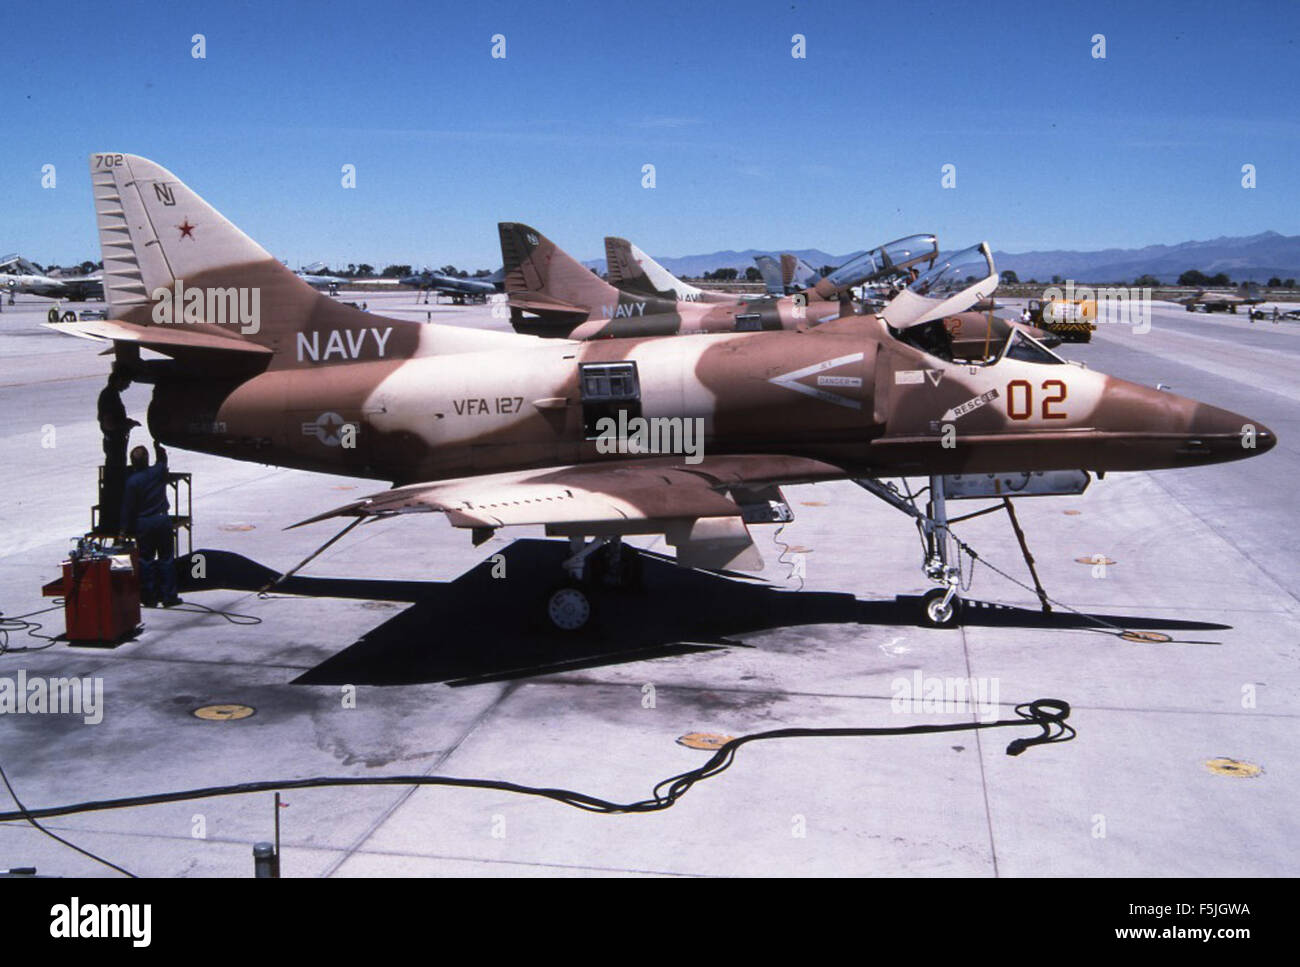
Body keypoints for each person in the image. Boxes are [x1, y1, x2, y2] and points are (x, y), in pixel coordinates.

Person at [120, 442, 181, 608]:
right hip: (161, 520)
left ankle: (149, 597)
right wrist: (157, 446)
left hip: (144, 522)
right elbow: (163, 459)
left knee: (146, 560)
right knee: (166, 558)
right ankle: (169, 596)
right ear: (147, 460)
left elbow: (128, 507)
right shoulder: (157, 472)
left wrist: (123, 530)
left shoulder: (132, 482)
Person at [97, 367, 139, 534]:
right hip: (114, 445)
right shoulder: (109, 397)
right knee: (114, 482)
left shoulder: (112, 396)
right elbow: (109, 424)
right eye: (126, 382)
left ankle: (113, 518)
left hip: (116, 444)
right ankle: (111, 520)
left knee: (116, 480)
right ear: (118, 380)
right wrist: (126, 425)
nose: (127, 386)